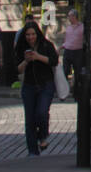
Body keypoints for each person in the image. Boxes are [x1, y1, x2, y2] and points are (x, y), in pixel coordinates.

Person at [15, 20, 58, 157]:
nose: (30, 37)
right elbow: (18, 70)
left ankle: (43, 135)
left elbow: (54, 61)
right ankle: (32, 151)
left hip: (46, 84)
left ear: (37, 34)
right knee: (30, 120)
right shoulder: (21, 48)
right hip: (29, 86)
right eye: (27, 35)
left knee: (42, 112)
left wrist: (38, 57)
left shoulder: (46, 45)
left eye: (33, 34)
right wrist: (26, 61)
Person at [61, 9, 85, 98]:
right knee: (65, 71)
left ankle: (76, 93)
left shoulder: (82, 27)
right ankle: (63, 92)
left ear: (74, 16)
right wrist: (60, 48)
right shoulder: (68, 28)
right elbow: (66, 41)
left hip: (77, 52)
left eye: (70, 16)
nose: (68, 18)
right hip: (68, 51)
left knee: (78, 73)